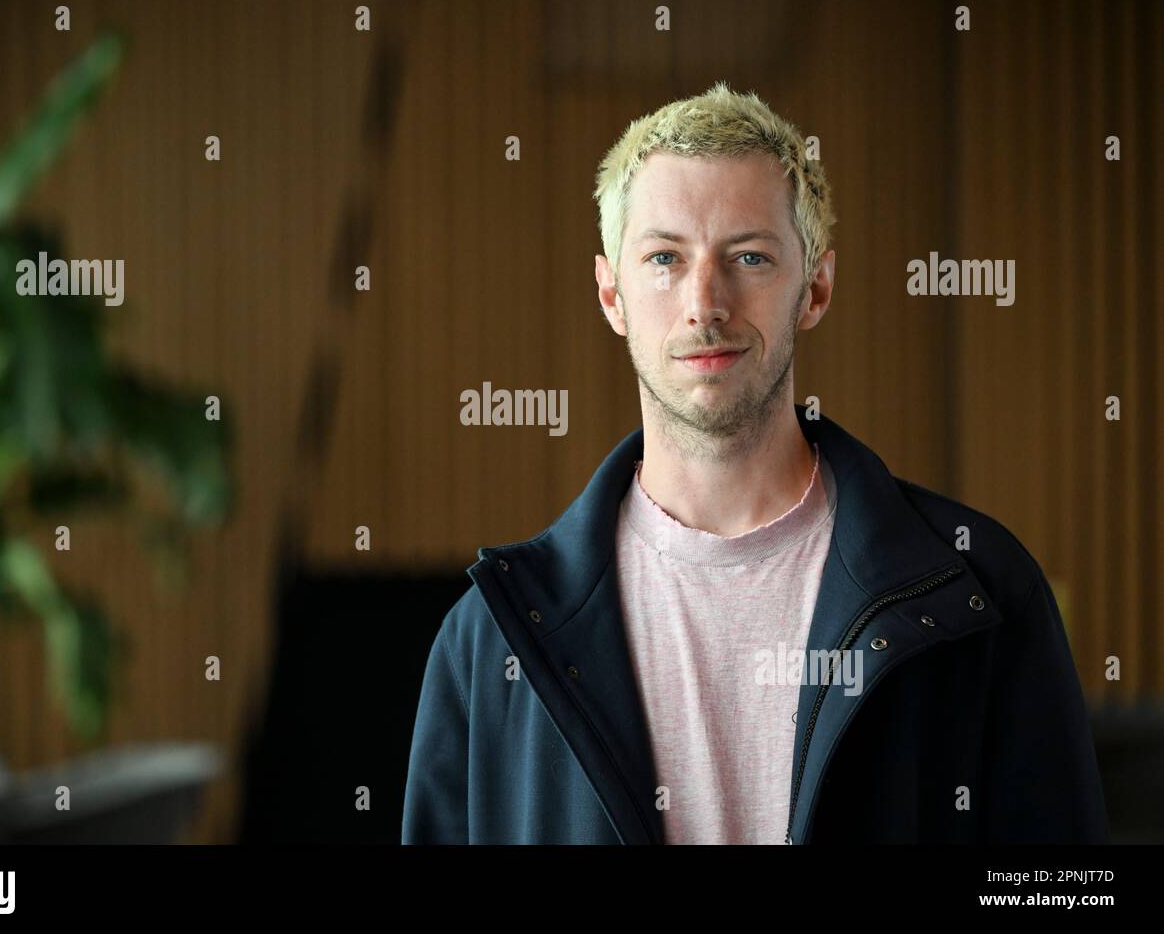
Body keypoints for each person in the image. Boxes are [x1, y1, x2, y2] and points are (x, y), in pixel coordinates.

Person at [402, 82, 1110, 844]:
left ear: (817, 287)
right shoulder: (491, 643)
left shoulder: (982, 592)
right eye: (665, 258)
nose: (705, 301)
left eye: (749, 256)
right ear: (612, 295)